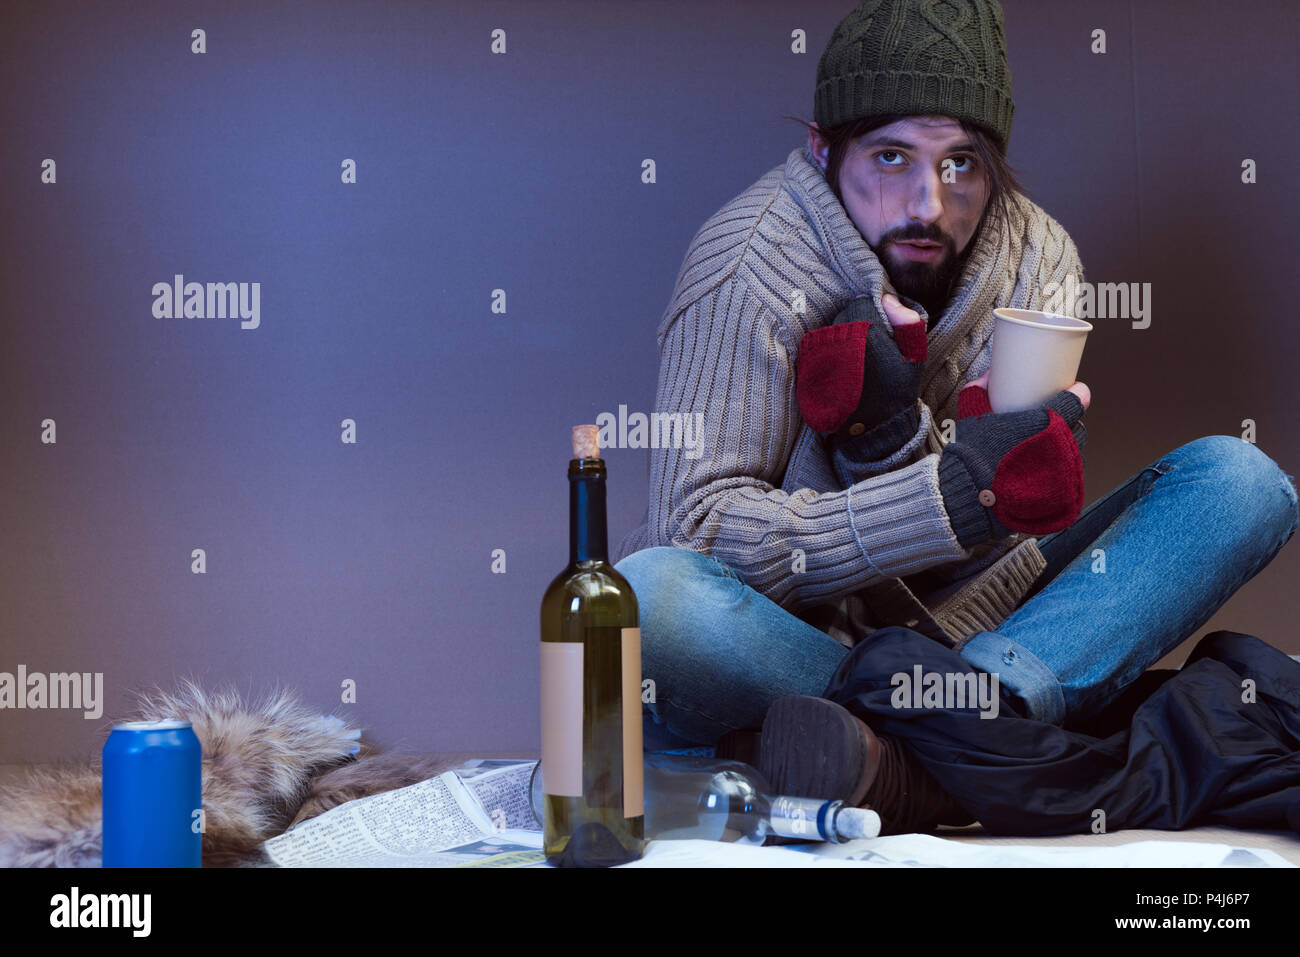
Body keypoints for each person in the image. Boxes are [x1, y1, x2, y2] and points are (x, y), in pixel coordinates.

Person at [612, 0, 1299, 832]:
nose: (928, 205)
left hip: (997, 633)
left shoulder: (1038, 257)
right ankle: (993, 739)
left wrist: (983, 487)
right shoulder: (749, 262)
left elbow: (1010, 539)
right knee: (651, 596)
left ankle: (916, 765)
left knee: (1243, 481)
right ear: (824, 150)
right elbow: (702, 528)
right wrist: (942, 493)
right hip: (807, 644)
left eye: (961, 164)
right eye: (892, 156)